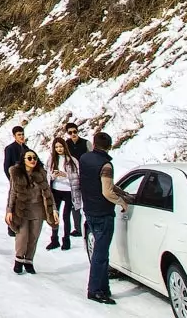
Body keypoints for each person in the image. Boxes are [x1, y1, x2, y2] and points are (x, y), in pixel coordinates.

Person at [79, 132, 131, 305]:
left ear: (94, 144)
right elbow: (106, 191)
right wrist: (122, 202)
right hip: (103, 212)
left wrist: (120, 190)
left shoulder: (85, 159)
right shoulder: (106, 165)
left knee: (100, 254)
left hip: (89, 210)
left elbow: (95, 182)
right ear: (109, 146)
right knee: (101, 255)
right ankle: (95, 291)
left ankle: (104, 288)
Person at [6, 149, 59, 274]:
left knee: (34, 237)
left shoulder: (41, 174)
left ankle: (29, 260)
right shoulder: (17, 173)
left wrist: (54, 210)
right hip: (22, 209)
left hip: (38, 210)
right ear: (24, 160)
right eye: (29, 158)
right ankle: (19, 260)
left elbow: (48, 194)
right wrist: (9, 210)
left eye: (34, 158)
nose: (32, 160)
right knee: (22, 235)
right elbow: (12, 192)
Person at [46, 137, 82, 250]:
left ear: (64, 147)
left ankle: (66, 240)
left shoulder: (72, 160)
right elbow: (47, 174)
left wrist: (65, 174)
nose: (59, 149)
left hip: (68, 191)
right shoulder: (51, 159)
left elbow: (77, 176)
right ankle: (54, 239)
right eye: (56, 147)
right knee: (54, 215)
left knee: (66, 216)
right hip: (56, 189)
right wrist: (53, 175)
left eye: (60, 147)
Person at [3, 126, 33, 236]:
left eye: (22, 134)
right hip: (15, 180)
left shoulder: (26, 148)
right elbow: (6, 166)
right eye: (19, 135)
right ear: (14, 136)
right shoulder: (10, 148)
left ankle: (22, 225)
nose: (21, 136)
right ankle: (11, 228)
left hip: (25, 179)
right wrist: (12, 179)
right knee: (13, 203)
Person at [64, 123, 88, 236]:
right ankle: (78, 229)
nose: (73, 134)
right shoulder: (65, 144)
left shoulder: (86, 143)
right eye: (70, 132)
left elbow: (92, 157)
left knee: (88, 201)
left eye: (75, 131)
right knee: (75, 202)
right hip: (72, 177)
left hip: (85, 175)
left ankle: (89, 225)